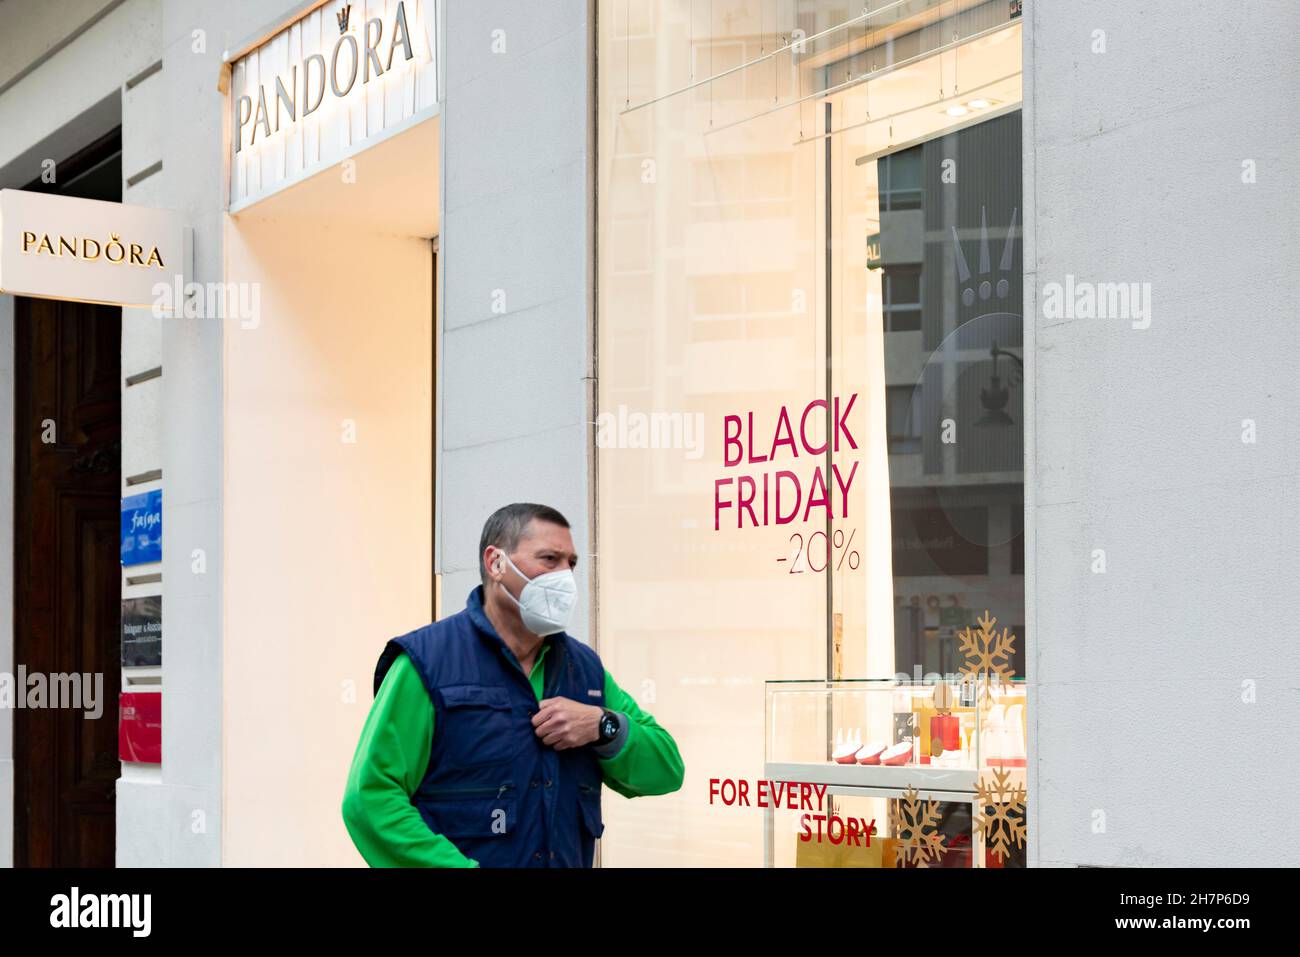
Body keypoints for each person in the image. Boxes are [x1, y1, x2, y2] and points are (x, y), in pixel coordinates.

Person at [341, 502, 684, 867]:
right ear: (496, 564)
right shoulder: (426, 663)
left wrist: (603, 726)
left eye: (571, 563)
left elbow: (666, 771)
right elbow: (370, 800)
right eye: (549, 559)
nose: (565, 576)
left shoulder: (584, 672)